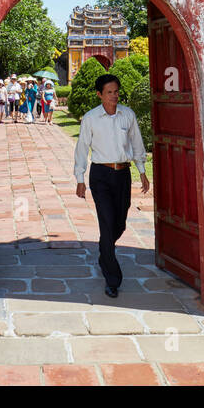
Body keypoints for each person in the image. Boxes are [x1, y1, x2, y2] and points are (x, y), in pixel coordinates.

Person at [73, 74, 148, 298]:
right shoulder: (91, 118)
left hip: (123, 174)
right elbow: (81, 147)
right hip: (101, 175)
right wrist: (79, 178)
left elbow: (136, 143)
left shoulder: (128, 115)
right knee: (106, 222)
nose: (114, 96)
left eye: (116, 92)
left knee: (120, 223)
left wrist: (142, 171)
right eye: (109, 92)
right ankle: (112, 278)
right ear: (99, 94)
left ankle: (105, 251)